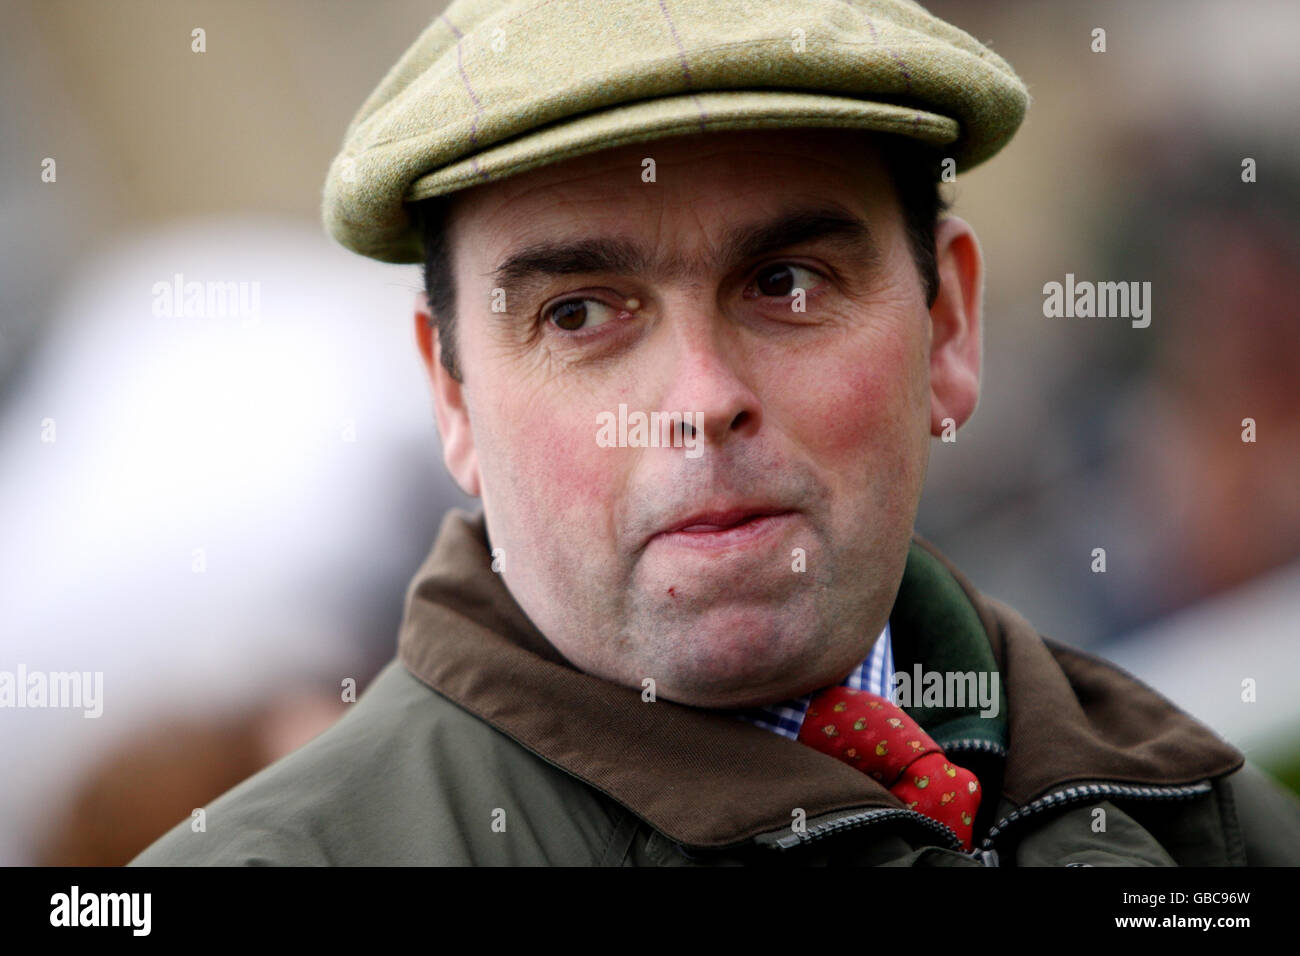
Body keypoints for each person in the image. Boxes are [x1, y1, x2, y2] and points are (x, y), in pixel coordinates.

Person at [130, 0, 1300, 866]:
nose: (699, 396)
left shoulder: (1198, 814)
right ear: (453, 398)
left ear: (946, 325)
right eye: (578, 312)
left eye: (785, 282)